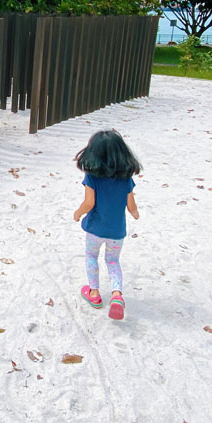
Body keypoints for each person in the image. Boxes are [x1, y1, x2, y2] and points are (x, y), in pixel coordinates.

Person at [72, 129, 140, 320]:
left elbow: (89, 203)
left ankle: (94, 293)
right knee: (113, 261)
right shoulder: (126, 179)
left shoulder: (92, 178)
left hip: (95, 229)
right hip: (117, 231)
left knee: (91, 257)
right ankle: (117, 295)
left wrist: (78, 213)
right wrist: (135, 214)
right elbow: (131, 205)